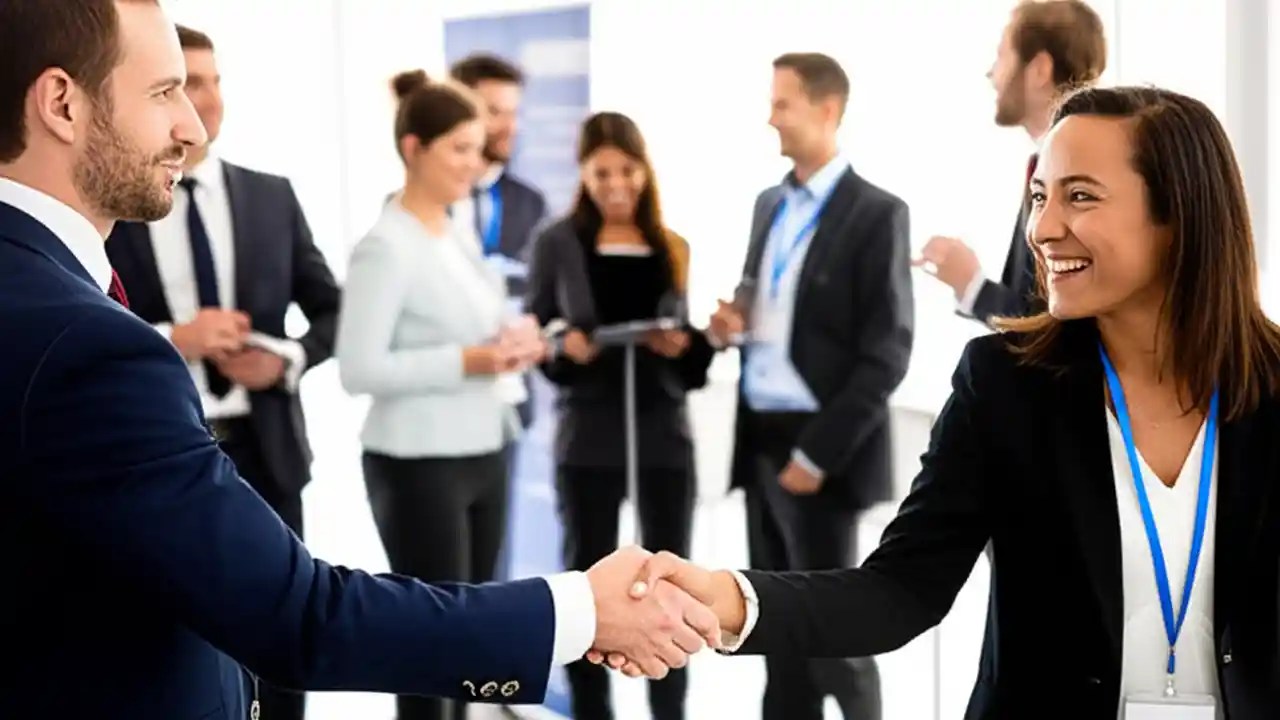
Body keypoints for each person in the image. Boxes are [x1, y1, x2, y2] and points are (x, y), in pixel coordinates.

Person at [0, 3, 719, 718]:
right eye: (164, 92)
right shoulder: (89, 345)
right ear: (63, 103)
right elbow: (300, 617)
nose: (191, 125)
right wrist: (580, 611)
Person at [623, 86, 1280, 719]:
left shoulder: (1275, 387)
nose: (1043, 229)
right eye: (1038, 197)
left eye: (1080, 197)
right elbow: (901, 591)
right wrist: (731, 597)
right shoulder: (1005, 384)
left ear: (1179, 216)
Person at [106, 28, 341, 718]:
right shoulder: (119, 198)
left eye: (209, 81)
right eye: (179, 85)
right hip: (162, 452)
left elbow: (330, 311)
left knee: (289, 626)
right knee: (181, 641)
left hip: (268, 448)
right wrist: (179, 339)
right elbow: (83, 318)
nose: (202, 100)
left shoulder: (272, 195)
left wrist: (288, 359)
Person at [703, 52, 913, 720]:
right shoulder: (769, 203)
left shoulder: (878, 212)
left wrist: (817, 454)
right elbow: (761, 296)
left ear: (827, 109)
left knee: (838, 643)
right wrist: (733, 319)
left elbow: (888, 351)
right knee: (772, 633)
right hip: (760, 438)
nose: (770, 117)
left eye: (782, 103)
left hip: (820, 454)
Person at [336, 69, 548, 720]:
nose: (473, 162)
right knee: (431, 654)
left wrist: (512, 339)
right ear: (414, 148)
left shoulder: (451, 230)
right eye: (458, 147)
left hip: (484, 448)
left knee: (468, 646)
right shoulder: (386, 245)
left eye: (478, 147)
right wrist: (470, 359)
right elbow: (358, 368)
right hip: (419, 463)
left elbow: (473, 319)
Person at [524, 111, 716, 720]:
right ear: (583, 172)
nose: (615, 184)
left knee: (671, 586)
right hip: (589, 437)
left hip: (663, 433)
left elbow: (693, 363)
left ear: (644, 169)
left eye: (626, 170)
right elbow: (540, 336)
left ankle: (670, 712)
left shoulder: (671, 245)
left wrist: (685, 345)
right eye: (601, 171)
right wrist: (564, 346)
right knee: (587, 592)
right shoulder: (556, 243)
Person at [915, 0, 1106, 327]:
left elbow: (1056, 322)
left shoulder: (1081, 171)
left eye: (1002, 55)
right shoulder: (1049, 165)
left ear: (1040, 69)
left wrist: (971, 284)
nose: (991, 73)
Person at [449, 53, 547, 300]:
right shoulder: (425, 203)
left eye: (513, 113)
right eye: (495, 112)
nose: (510, 127)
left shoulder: (532, 203)